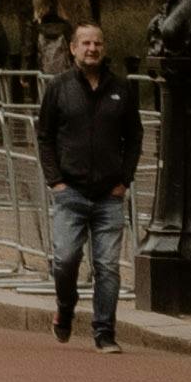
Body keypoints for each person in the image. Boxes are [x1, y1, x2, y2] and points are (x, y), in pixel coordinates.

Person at [35, 19, 147, 344]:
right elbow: (44, 137)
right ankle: (65, 307)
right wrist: (55, 180)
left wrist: (124, 179)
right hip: (70, 191)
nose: (92, 49)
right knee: (66, 258)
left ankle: (104, 332)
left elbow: (135, 136)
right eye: (85, 43)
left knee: (108, 266)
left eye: (97, 43)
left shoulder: (121, 88)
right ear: (73, 49)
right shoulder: (58, 88)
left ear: (104, 47)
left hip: (109, 194)